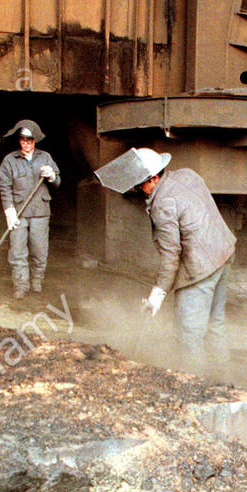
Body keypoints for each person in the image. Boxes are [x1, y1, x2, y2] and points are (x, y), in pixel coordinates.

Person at [94, 147, 236, 371]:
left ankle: (195, 389)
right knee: (214, 324)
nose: (140, 189)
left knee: (189, 336)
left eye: (142, 184)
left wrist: (158, 293)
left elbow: (171, 255)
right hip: (224, 254)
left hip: (200, 269)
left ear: (155, 177)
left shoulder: (162, 204)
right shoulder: (187, 174)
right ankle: (227, 383)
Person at [0, 119, 60, 298]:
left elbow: (58, 182)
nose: (26, 143)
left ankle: (37, 279)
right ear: (19, 140)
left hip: (40, 211)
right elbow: (4, 186)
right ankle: (21, 285)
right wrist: (8, 209)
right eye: (23, 139)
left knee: (40, 250)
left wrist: (52, 176)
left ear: (35, 141)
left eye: (30, 140)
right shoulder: (10, 160)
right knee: (17, 251)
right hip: (19, 212)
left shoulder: (45, 157)